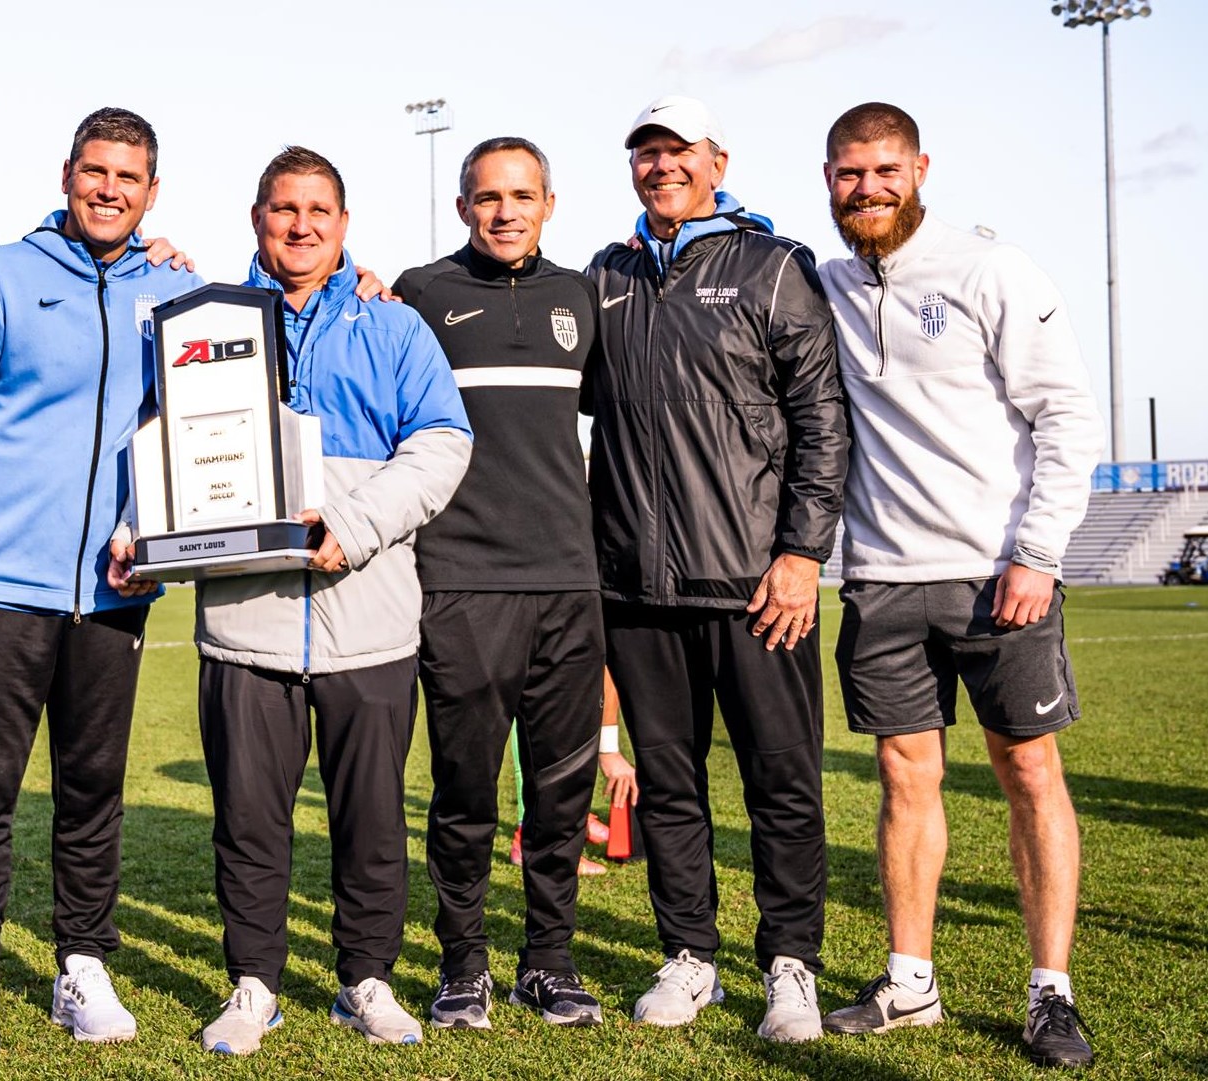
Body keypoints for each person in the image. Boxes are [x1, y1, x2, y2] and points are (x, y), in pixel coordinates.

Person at [0, 107, 202, 1062]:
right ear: (68, 174)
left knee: (92, 792)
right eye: (94, 171)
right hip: (0, 587)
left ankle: (81, 963)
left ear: (151, 192)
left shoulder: (177, 290)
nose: (110, 189)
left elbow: (205, 418)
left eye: (129, 176)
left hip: (115, 592)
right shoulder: (2, 274)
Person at [817, 102, 1102, 1070]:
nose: (867, 190)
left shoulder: (991, 269)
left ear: (920, 168)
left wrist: (1039, 553)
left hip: (997, 576)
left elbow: (1064, 413)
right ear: (827, 179)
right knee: (906, 777)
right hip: (882, 579)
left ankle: (1049, 991)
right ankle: (910, 981)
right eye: (849, 173)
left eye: (883, 170)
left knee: (1028, 770)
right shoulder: (825, 283)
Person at [190, 147, 471, 1056]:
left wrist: (347, 527)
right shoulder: (206, 324)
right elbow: (161, 443)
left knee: (372, 824)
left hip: (370, 620)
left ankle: (366, 979)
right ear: (256, 219)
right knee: (248, 823)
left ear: (344, 224)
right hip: (246, 626)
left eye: (318, 209)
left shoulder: (395, 327)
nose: (300, 225)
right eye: (283, 209)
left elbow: (440, 445)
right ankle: (252, 985)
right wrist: (138, 530)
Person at [581, 95, 847, 1043]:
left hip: (754, 585)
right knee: (667, 780)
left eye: (676, 151)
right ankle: (689, 955)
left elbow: (822, 418)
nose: (660, 166)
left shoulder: (771, 269)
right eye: (645, 153)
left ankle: (789, 965)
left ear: (715, 159)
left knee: (782, 781)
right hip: (635, 587)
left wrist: (802, 552)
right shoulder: (603, 275)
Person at [392, 136, 613, 1030]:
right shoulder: (417, 293)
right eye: (488, 197)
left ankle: (547, 962)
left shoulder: (579, 298)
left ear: (549, 204)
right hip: (458, 580)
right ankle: (462, 966)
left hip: (567, 580)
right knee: (464, 791)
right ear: (461, 207)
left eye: (523, 195)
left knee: (559, 791)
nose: (505, 211)